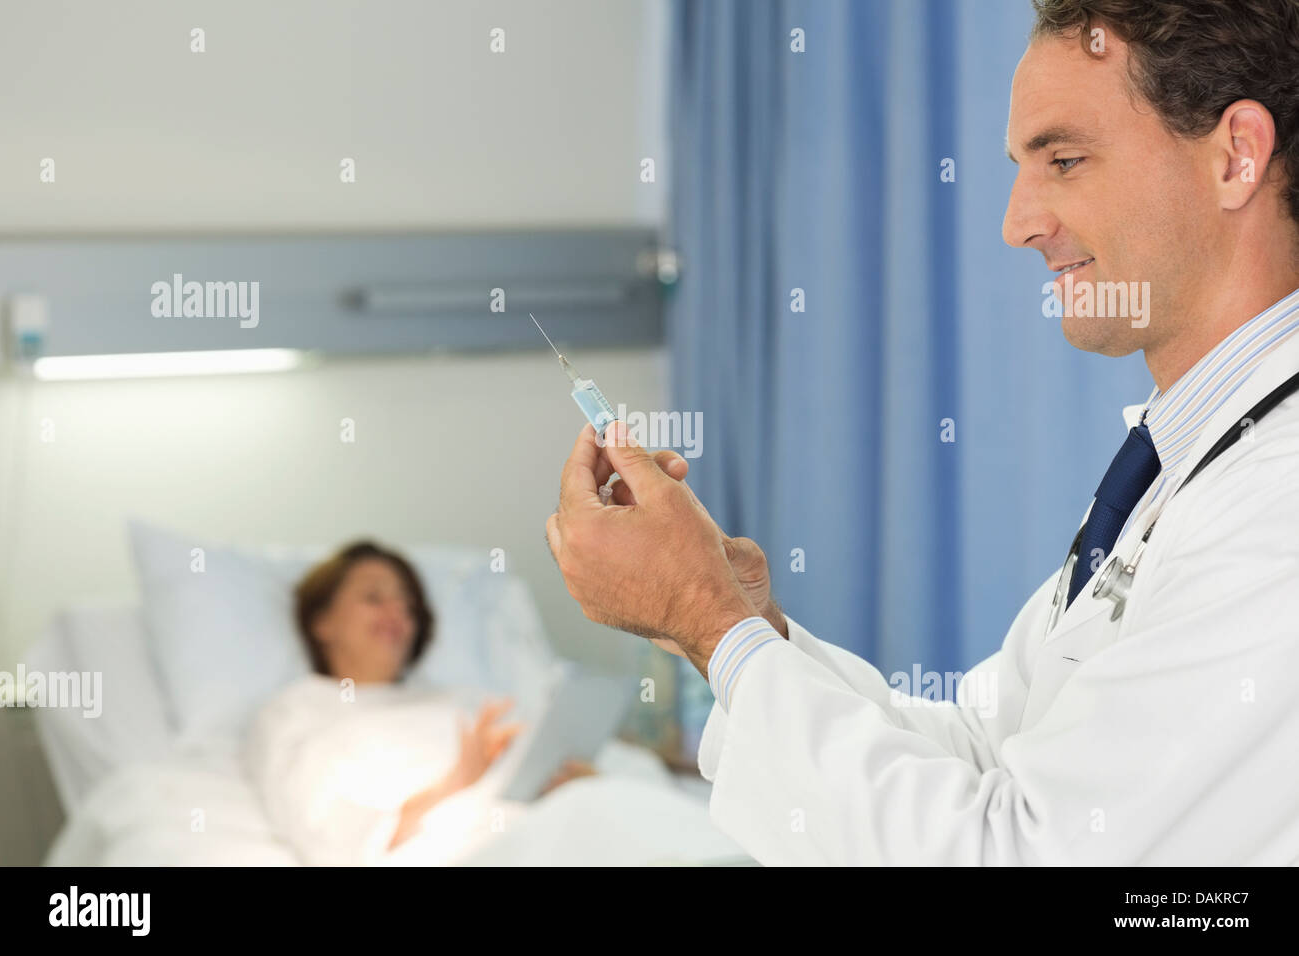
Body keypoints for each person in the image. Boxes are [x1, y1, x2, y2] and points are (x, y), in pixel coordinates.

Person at [547, 0, 1299, 865]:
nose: (1018, 224)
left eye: (1064, 160)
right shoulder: (1185, 467)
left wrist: (708, 620)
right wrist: (737, 621)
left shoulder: (1276, 505)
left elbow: (1011, 855)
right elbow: (983, 749)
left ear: (1236, 156)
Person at [244, 541, 594, 865]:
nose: (397, 611)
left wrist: (563, 781)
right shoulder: (293, 712)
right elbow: (330, 842)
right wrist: (458, 781)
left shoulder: (462, 699)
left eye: (408, 605)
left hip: (552, 825)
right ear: (322, 622)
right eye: (374, 598)